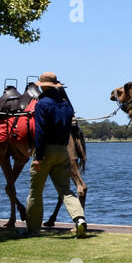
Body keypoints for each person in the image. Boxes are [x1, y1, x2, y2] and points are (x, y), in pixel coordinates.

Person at [27, 72, 88, 238]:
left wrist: (38, 157)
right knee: (65, 190)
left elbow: (40, 132)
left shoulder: (42, 104)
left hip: (45, 151)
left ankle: (33, 229)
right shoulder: (66, 105)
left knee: (35, 192)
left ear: (43, 86)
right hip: (63, 151)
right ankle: (79, 218)